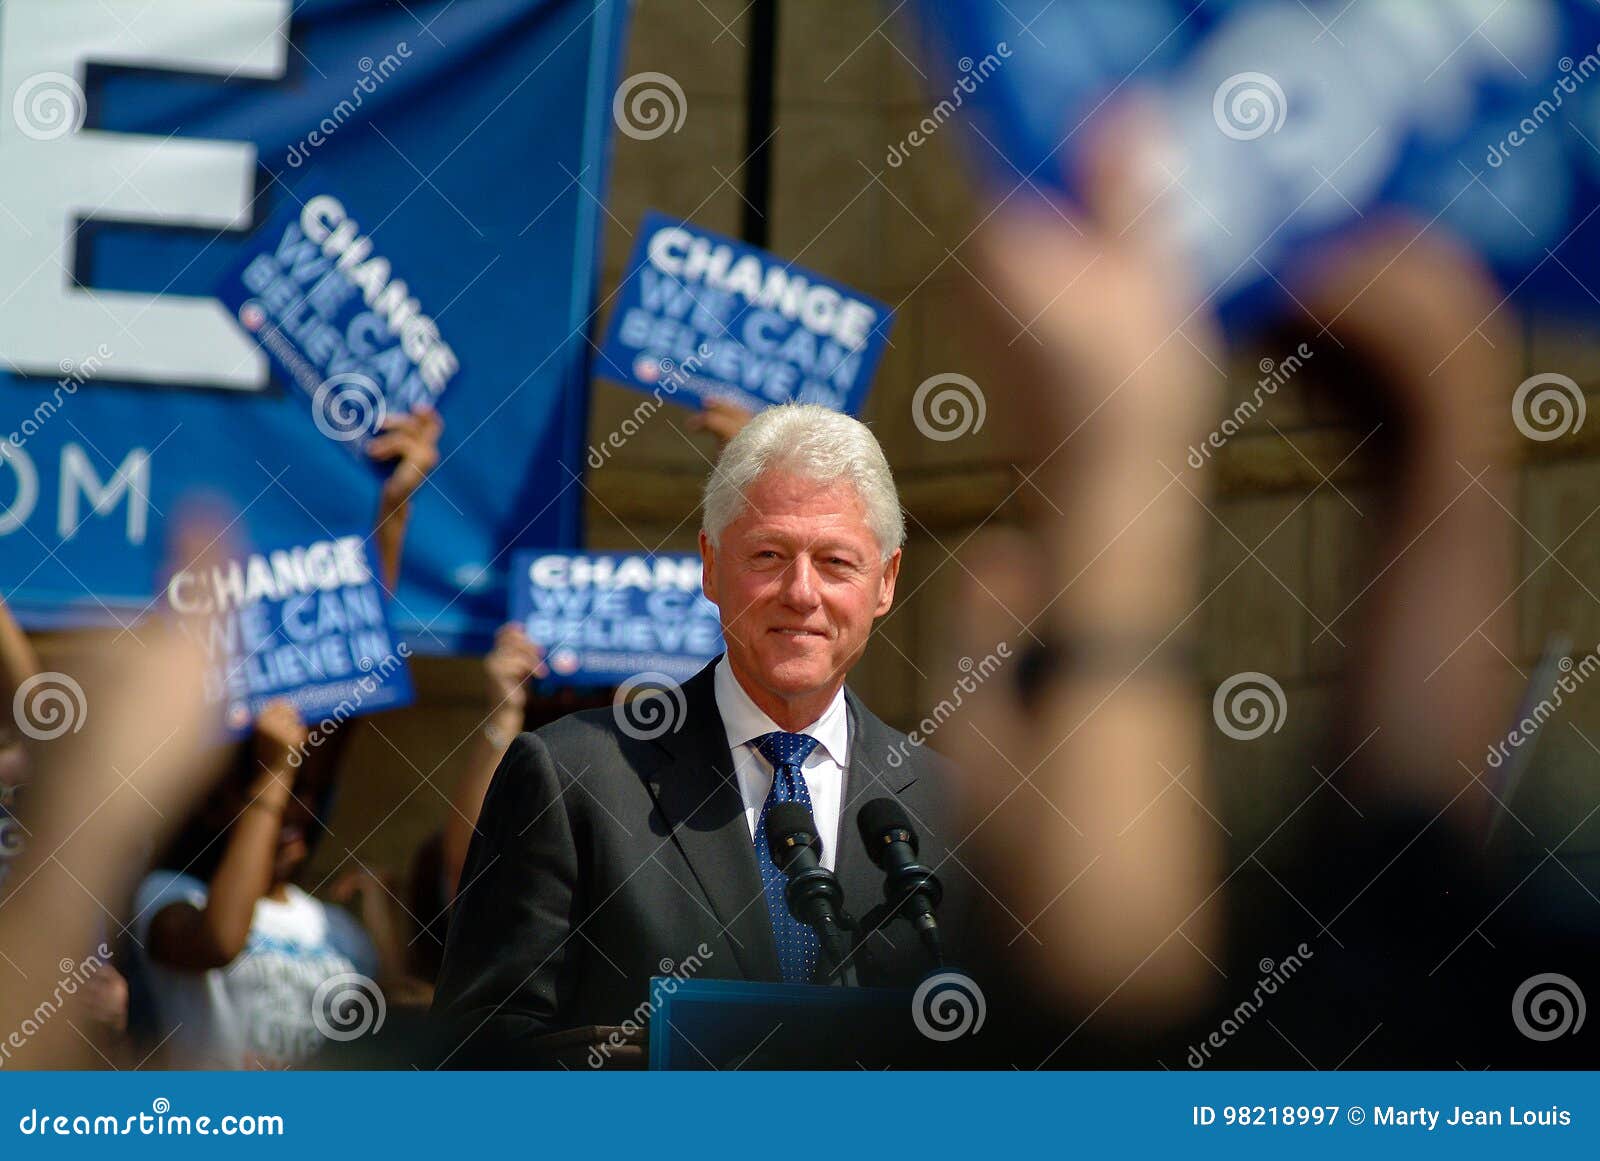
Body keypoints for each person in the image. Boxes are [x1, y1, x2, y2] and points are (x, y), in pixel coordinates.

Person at [431, 403, 970, 1066]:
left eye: (835, 561)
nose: (801, 593)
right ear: (711, 565)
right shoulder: (573, 777)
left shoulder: (957, 811)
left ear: (885, 581)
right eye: (769, 555)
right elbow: (471, 1059)